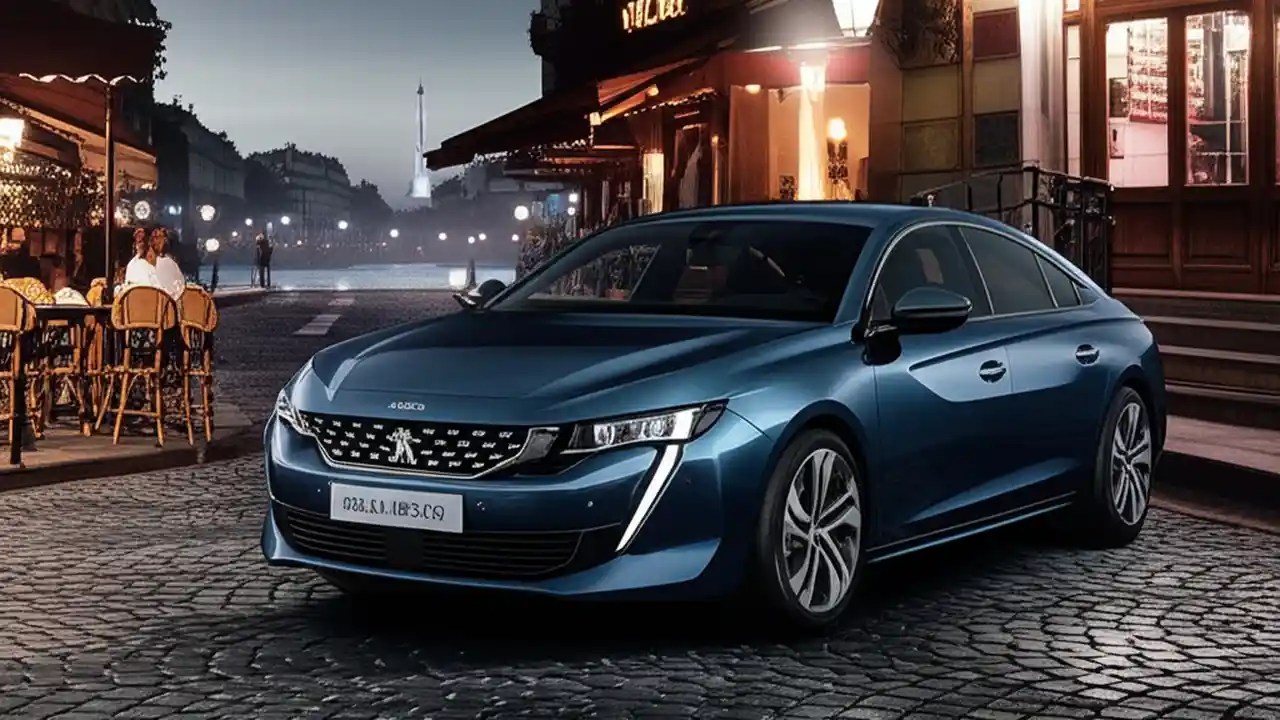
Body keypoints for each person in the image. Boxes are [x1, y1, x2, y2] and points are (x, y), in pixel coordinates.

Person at [150, 228, 185, 301]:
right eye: (156, 237)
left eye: (160, 238)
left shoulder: (169, 263)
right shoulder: (169, 264)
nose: (157, 241)